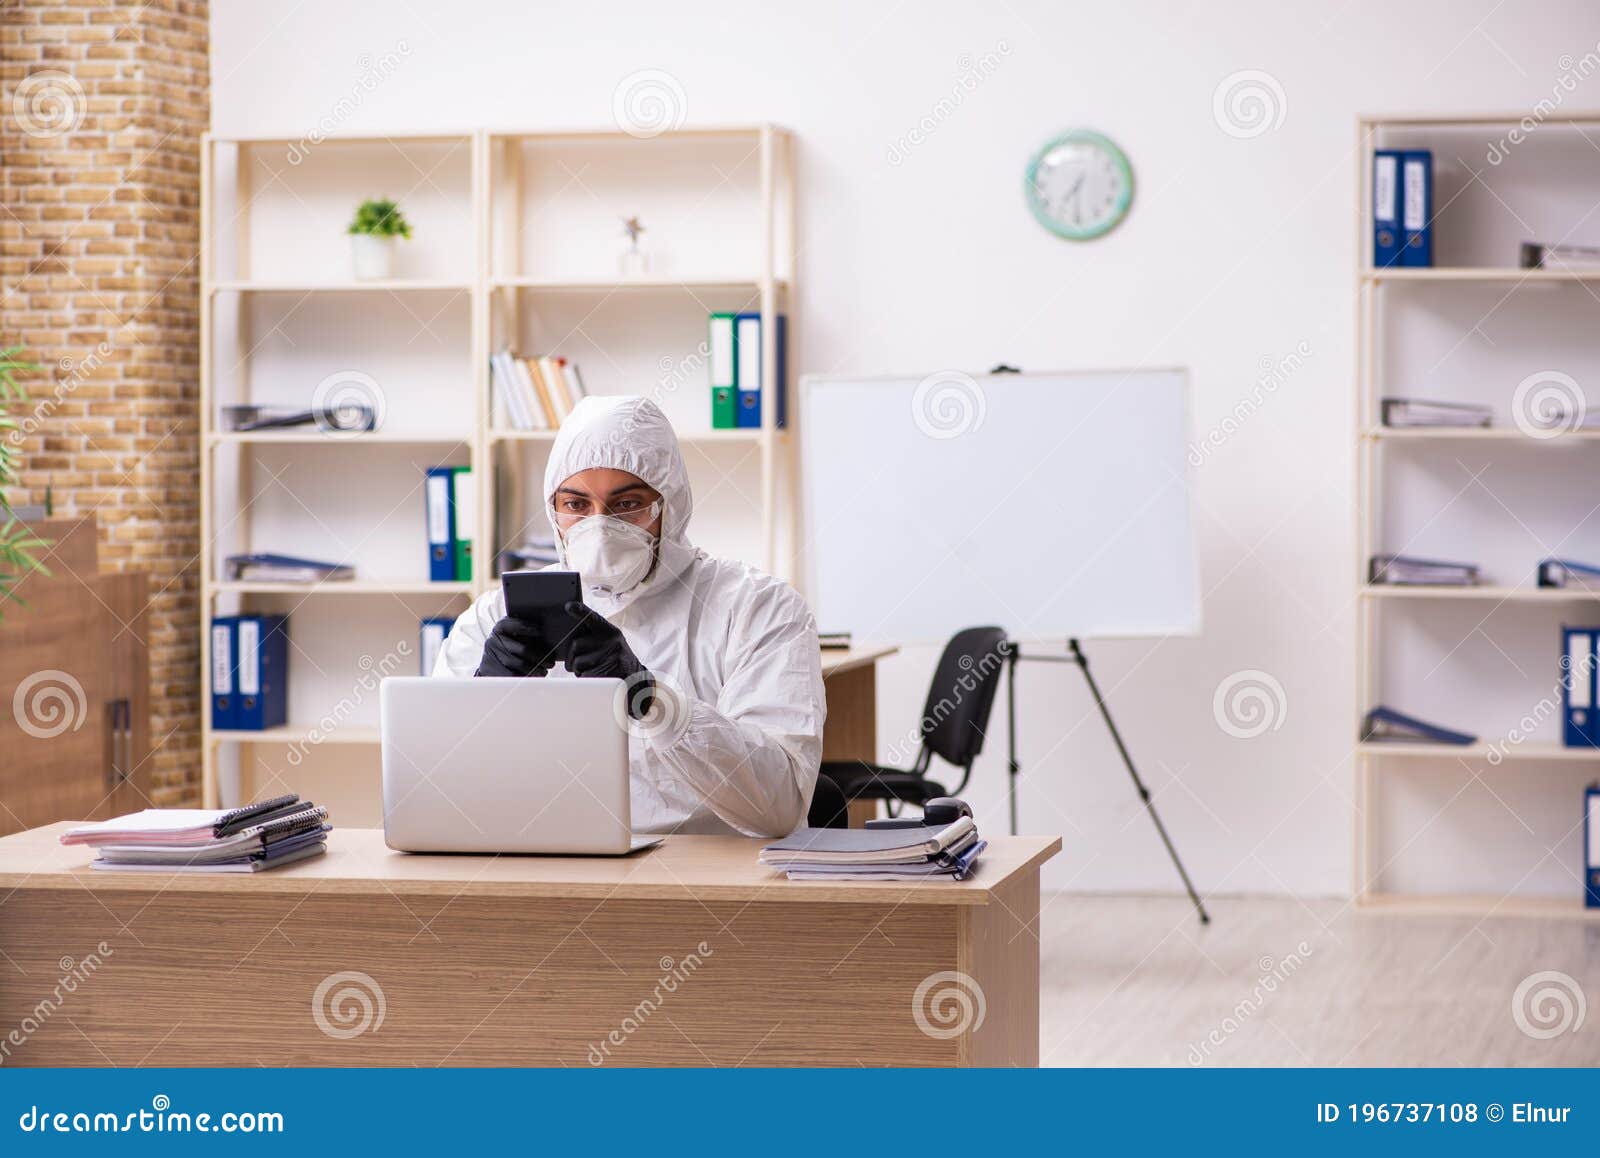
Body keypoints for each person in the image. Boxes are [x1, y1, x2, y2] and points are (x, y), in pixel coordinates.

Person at [433, 395, 825, 838]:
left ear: (669, 506)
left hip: (706, 880)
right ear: (553, 510)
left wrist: (651, 698)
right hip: (544, 869)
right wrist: (480, 706)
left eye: (626, 505)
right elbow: (430, 795)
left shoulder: (756, 608)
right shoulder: (495, 615)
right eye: (576, 505)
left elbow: (779, 807)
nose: (599, 528)